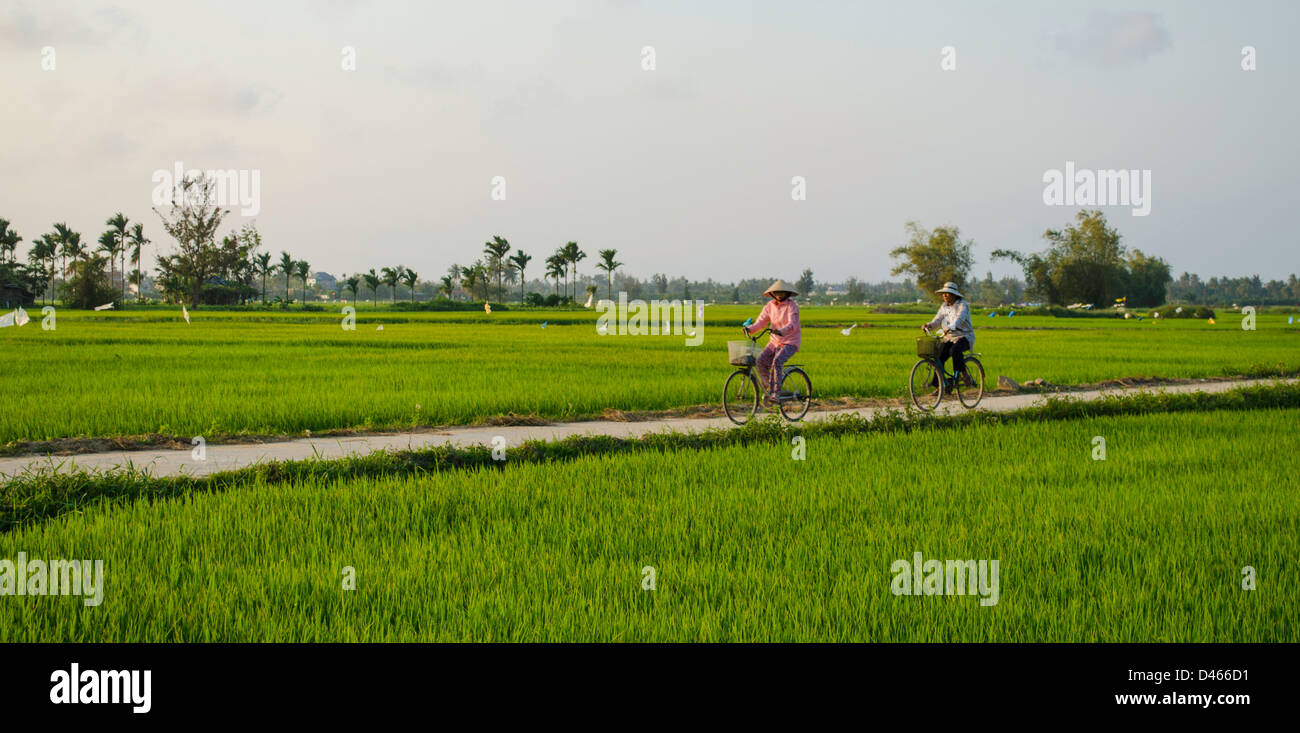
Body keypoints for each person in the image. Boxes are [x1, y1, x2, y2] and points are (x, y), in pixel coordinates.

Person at [745, 279, 802, 403]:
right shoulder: (769, 306)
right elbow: (761, 321)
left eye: (782, 292)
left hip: (790, 341)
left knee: (777, 361)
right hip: (774, 341)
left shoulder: (792, 306)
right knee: (760, 361)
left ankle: (776, 394)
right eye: (776, 292)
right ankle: (770, 388)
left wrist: (782, 330)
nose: (779, 294)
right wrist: (749, 329)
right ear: (772, 294)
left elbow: (792, 324)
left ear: (787, 293)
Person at [922, 281, 975, 388]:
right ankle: (940, 386)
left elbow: (959, 319)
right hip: (949, 337)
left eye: (948, 293)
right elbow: (937, 320)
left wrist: (949, 327)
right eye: (943, 293)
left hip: (964, 336)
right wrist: (928, 325)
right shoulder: (944, 306)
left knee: (955, 350)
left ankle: (964, 375)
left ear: (954, 294)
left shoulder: (962, 305)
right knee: (939, 356)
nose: (945, 295)